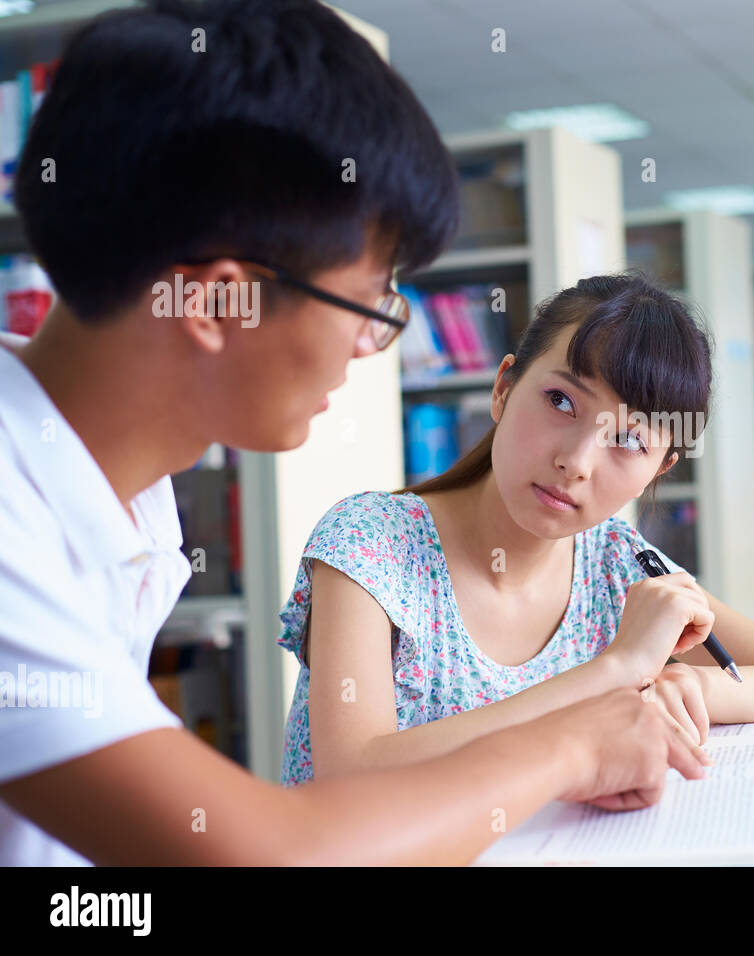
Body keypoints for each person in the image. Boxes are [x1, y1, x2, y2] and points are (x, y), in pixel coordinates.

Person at [0, 0, 713, 867]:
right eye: (369, 301)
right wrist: (574, 744)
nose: (372, 343)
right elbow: (278, 856)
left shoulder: (130, 493)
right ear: (220, 300)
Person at [281, 274, 754, 785]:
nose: (578, 461)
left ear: (659, 469)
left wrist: (690, 690)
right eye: (561, 401)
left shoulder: (617, 565)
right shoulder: (371, 542)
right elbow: (353, 775)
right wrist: (615, 673)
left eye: (628, 440)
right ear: (504, 388)